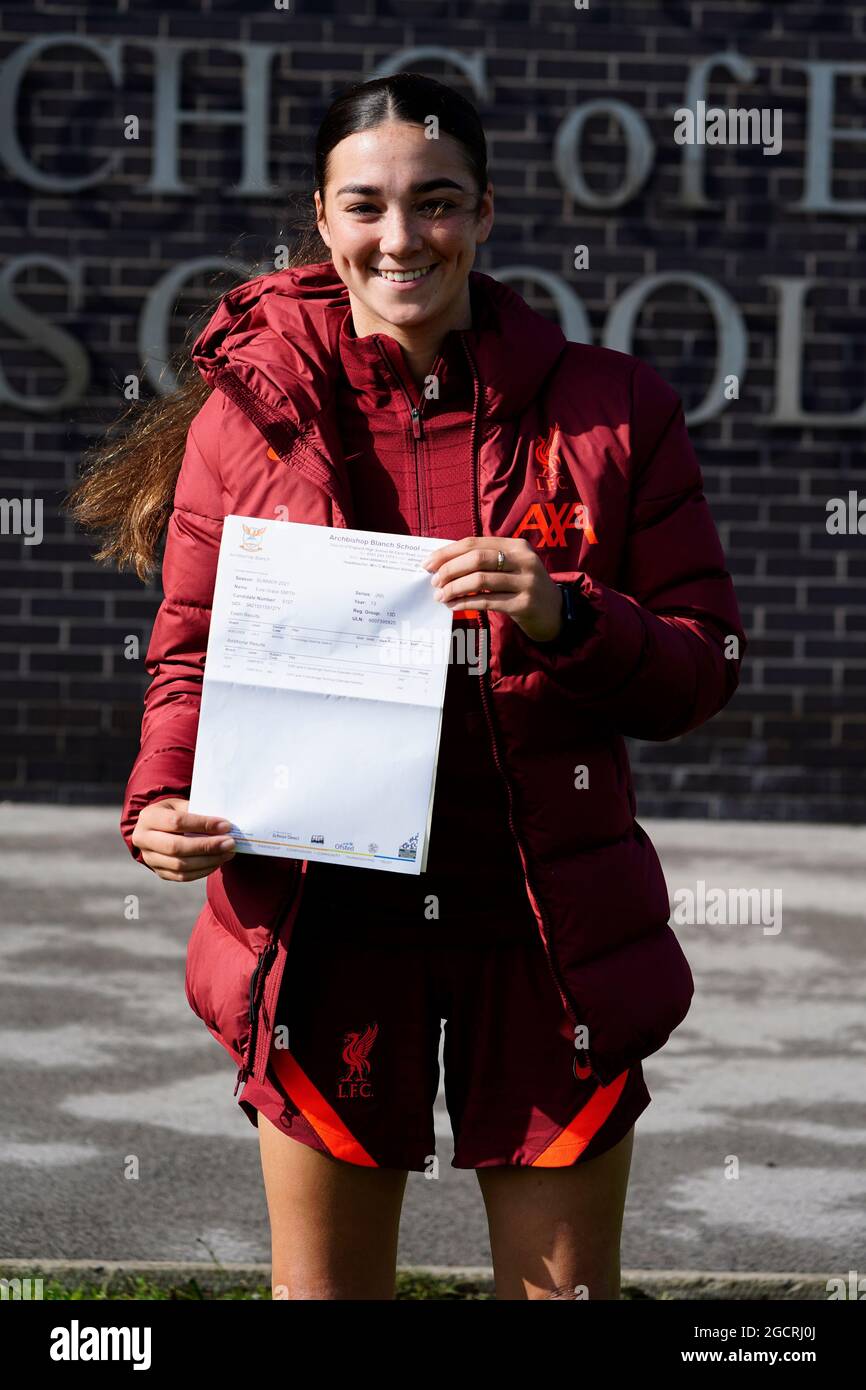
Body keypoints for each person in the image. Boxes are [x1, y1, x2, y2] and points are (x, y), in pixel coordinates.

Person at [67, 72, 747, 1301]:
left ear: (483, 214)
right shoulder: (252, 416)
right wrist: (160, 798)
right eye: (365, 205)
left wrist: (563, 611)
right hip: (325, 920)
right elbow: (189, 657)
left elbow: (702, 665)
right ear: (321, 223)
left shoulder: (612, 408)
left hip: (542, 927)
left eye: (434, 203)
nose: (399, 237)